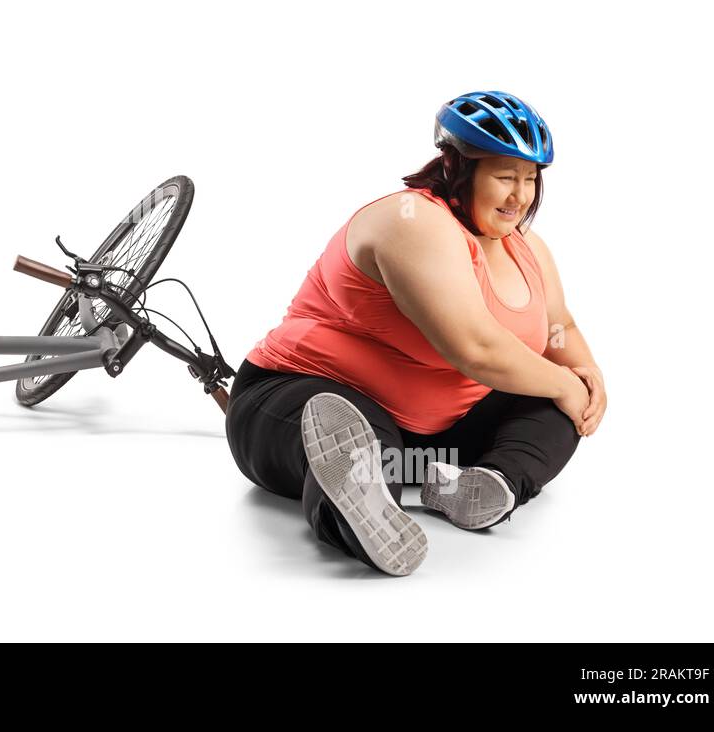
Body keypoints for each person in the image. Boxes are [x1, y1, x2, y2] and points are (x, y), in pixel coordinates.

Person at [226, 91, 607, 576]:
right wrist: (566, 384)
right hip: (298, 398)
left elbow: (559, 326)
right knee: (359, 438)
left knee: (553, 403)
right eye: (505, 176)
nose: (520, 195)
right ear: (456, 167)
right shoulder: (413, 222)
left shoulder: (527, 249)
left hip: (432, 439)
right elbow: (474, 348)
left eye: (530, 179)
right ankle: (361, 514)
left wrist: (585, 374)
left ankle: (480, 485)